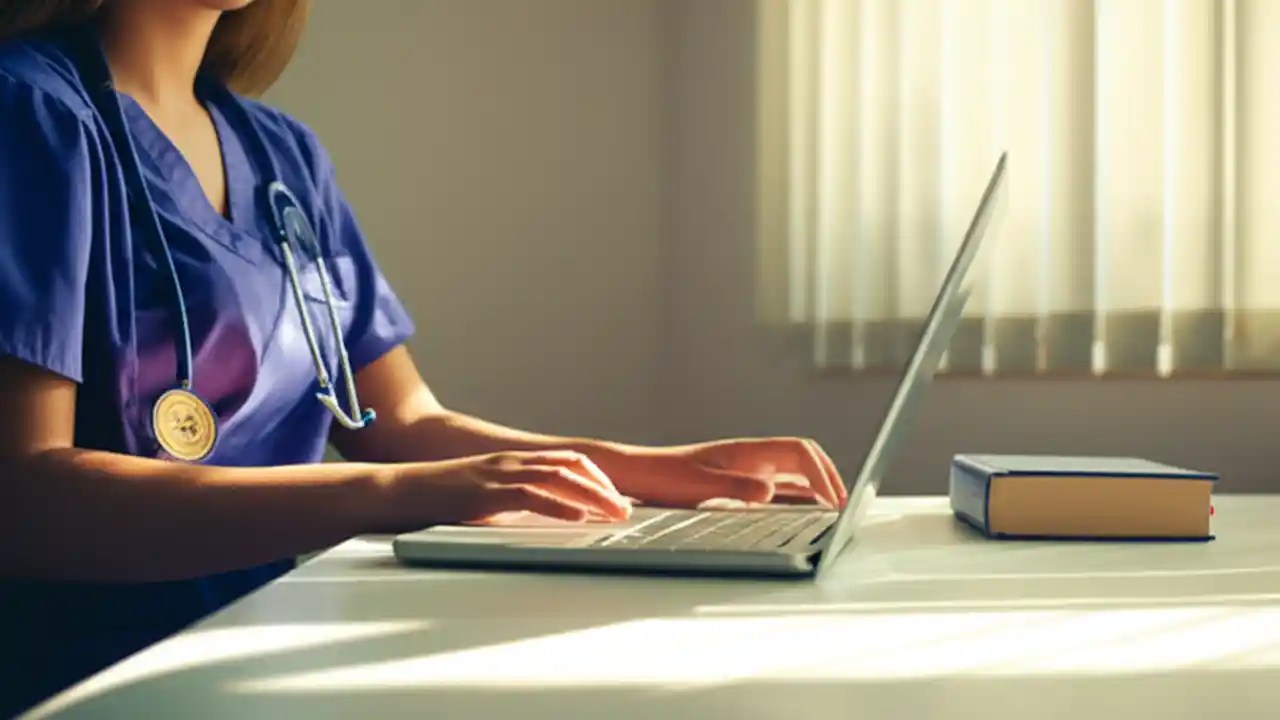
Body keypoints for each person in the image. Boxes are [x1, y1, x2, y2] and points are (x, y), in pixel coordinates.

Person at [0, 0, 848, 714]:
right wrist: (394, 495)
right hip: (92, 676)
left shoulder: (282, 154)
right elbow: (26, 492)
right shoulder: (29, 112)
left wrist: (645, 470)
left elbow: (398, 422)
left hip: (268, 645)